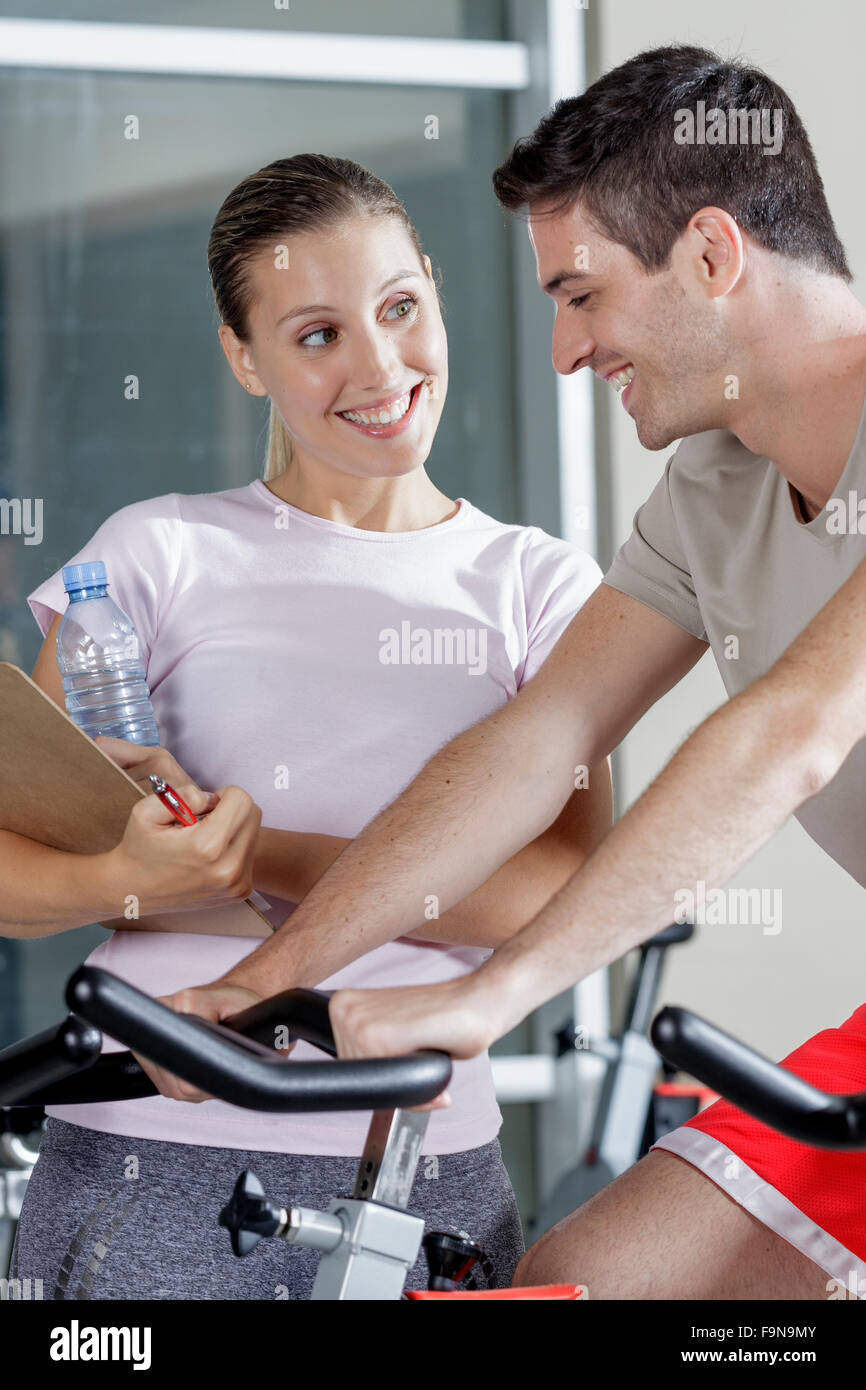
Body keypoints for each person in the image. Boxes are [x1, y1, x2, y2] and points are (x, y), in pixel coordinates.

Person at [143, 47, 866, 1300]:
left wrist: (498, 991)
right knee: (586, 1280)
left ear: (708, 255)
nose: (563, 352)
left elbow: (789, 732)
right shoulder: (716, 483)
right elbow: (538, 740)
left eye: (581, 297)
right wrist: (264, 980)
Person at [6, 154, 611, 1299]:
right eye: (316, 334)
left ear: (434, 287)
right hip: (147, 1159)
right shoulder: (150, 556)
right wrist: (127, 878)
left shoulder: (538, 586)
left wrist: (243, 855)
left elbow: (553, 894)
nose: (380, 366)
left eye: (398, 308)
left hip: (420, 1166)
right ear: (244, 357)